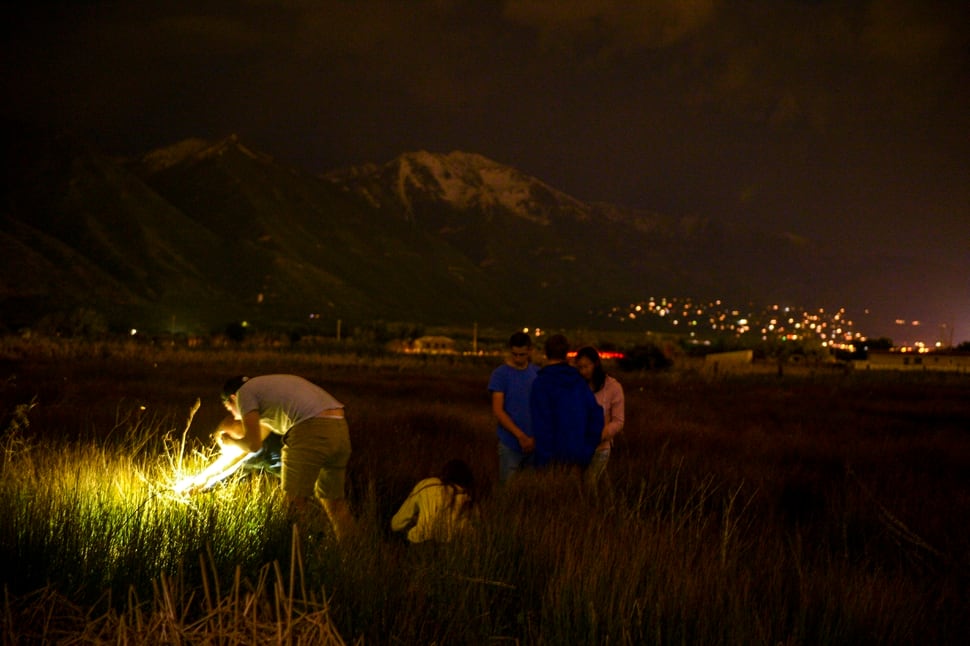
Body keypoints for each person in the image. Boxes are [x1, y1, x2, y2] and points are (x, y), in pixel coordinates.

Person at [217, 374, 355, 541]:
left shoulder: (244, 394)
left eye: (229, 408)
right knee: (334, 503)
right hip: (339, 427)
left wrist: (229, 441)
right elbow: (254, 442)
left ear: (233, 398)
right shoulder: (266, 393)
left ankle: (295, 559)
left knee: (294, 504)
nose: (233, 415)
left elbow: (253, 445)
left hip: (310, 428)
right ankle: (353, 554)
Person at [530, 334, 604, 470]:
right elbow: (596, 417)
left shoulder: (541, 384)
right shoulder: (579, 382)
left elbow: (541, 424)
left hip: (549, 462)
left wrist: (543, 460)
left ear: (546, 353)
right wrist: (586, 450)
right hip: (578, 458)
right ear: (566, 353)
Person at [487, 331, 539, 483]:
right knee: (507, 493)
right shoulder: (500, 374)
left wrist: (534, 438)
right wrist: (520, 436)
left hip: (534, 443)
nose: (518, 358)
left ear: (529, 351)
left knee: (531, 492)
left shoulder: (537, 373)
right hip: (510, 444)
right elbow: (498, 410)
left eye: (522, 354)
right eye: (514, 354)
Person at [390, 459, 477, 544]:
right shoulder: (467, 495)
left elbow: (397, 523)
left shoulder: (427, 485)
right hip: (455, 546)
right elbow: (474, 526)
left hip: (421, 542)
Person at [575, 346, 625, 485]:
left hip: (601, 447)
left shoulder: (613, 387)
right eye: (580, 367)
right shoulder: (577, 386)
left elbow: (619, 421)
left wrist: (601, 434)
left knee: (590, 482)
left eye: (586, 366)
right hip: (578, 446)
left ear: (595, 364)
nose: (583, 371)